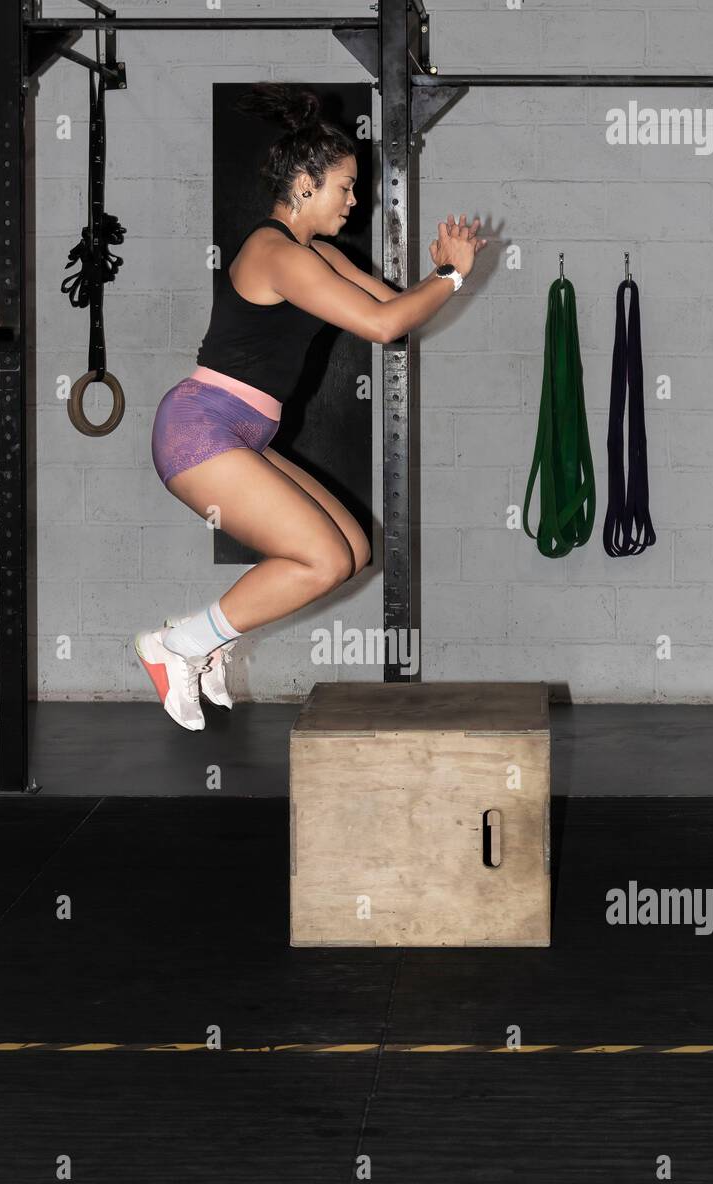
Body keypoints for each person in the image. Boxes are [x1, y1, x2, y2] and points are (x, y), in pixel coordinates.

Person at [136, 82, 487, 730]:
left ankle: (205, 642)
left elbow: (395, 314)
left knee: (350, 551)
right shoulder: (275, 253)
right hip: (199, 427)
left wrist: (440, 275)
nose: (356, 201)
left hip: (239, 432)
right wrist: (453, 277)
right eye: (345, 187)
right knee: (320, 558)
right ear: (304, 183)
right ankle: (177, 645)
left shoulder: (316, 254)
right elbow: (382, 329)